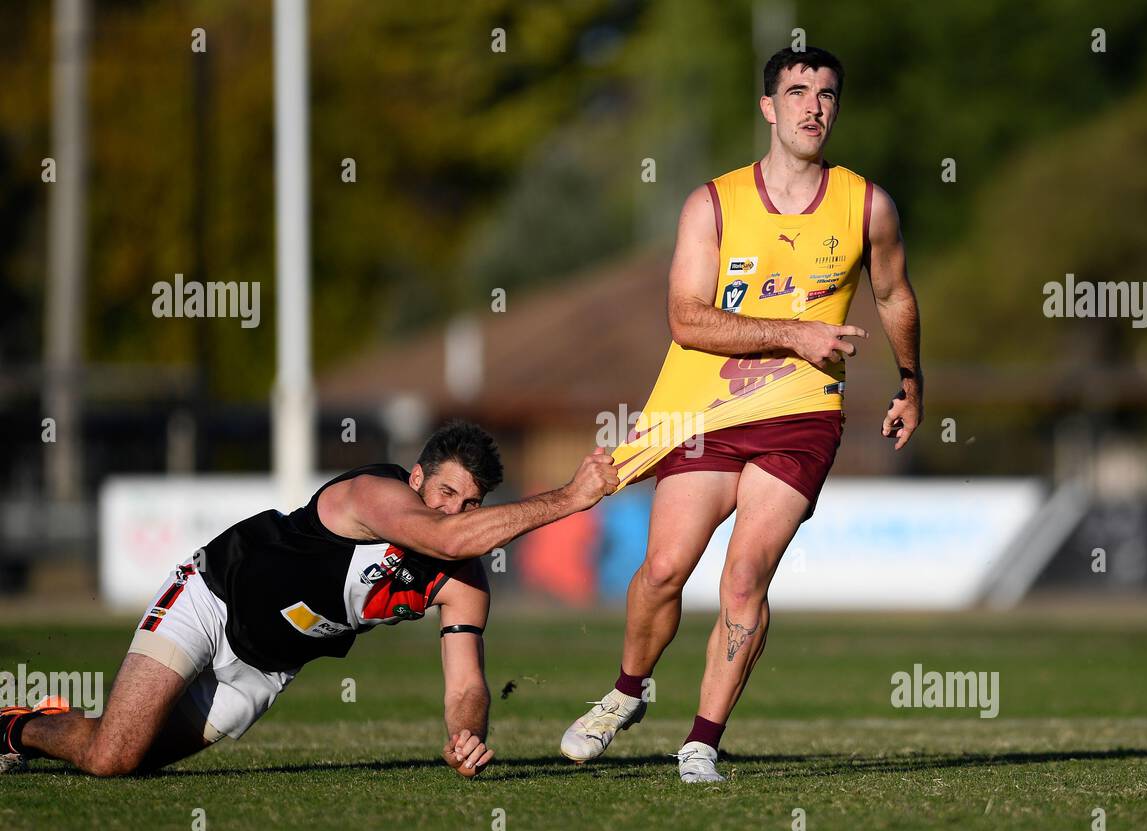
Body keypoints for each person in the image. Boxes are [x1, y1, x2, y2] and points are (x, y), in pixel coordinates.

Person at [562, 46, 923, 782]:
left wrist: (912, 382)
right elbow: (686, 320)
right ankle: (626, 693)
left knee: (743, 579)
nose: (812, 107)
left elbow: (892, 295)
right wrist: (793, 332)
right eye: (796, 92)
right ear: (769, 108)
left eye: (826, 94)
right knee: (663, 570)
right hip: (709, 407)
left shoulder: (867, 205)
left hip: (803, 413)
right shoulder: (713, 203)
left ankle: (701, 741)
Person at [2, 420, 617, 778]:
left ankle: (52, 720)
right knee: (114, 755)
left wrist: (466, 733)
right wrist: (569, 498)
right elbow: (442, 535)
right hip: (211, 599)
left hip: (265, 671)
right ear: (416, 479)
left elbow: (465, 685)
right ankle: (18, 729)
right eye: (445, 491)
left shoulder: (463, 583)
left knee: (128, 761)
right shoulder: (372, 497)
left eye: (470, 503)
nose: (454, 510)